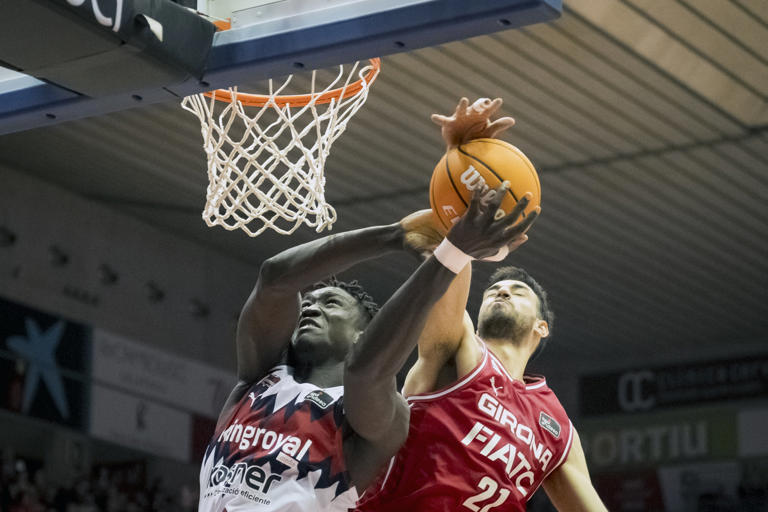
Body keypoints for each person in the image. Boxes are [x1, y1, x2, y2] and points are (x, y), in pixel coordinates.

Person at [198, 99, 537, 512]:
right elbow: (274, 279)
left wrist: (454, 250)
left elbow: (366, 368)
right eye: (313, 299)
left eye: (332, 303)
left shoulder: (376, 422)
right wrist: (394, 235)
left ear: (362, 331)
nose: (311, 306)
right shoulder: (256, 380)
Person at [355, 100, 607, 512]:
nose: (501, 292)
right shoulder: (458, 346)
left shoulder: (556, 426)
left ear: (541, 328)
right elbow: (446, 251)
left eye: (517, 291)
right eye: (494, 289)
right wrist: (460, 160)